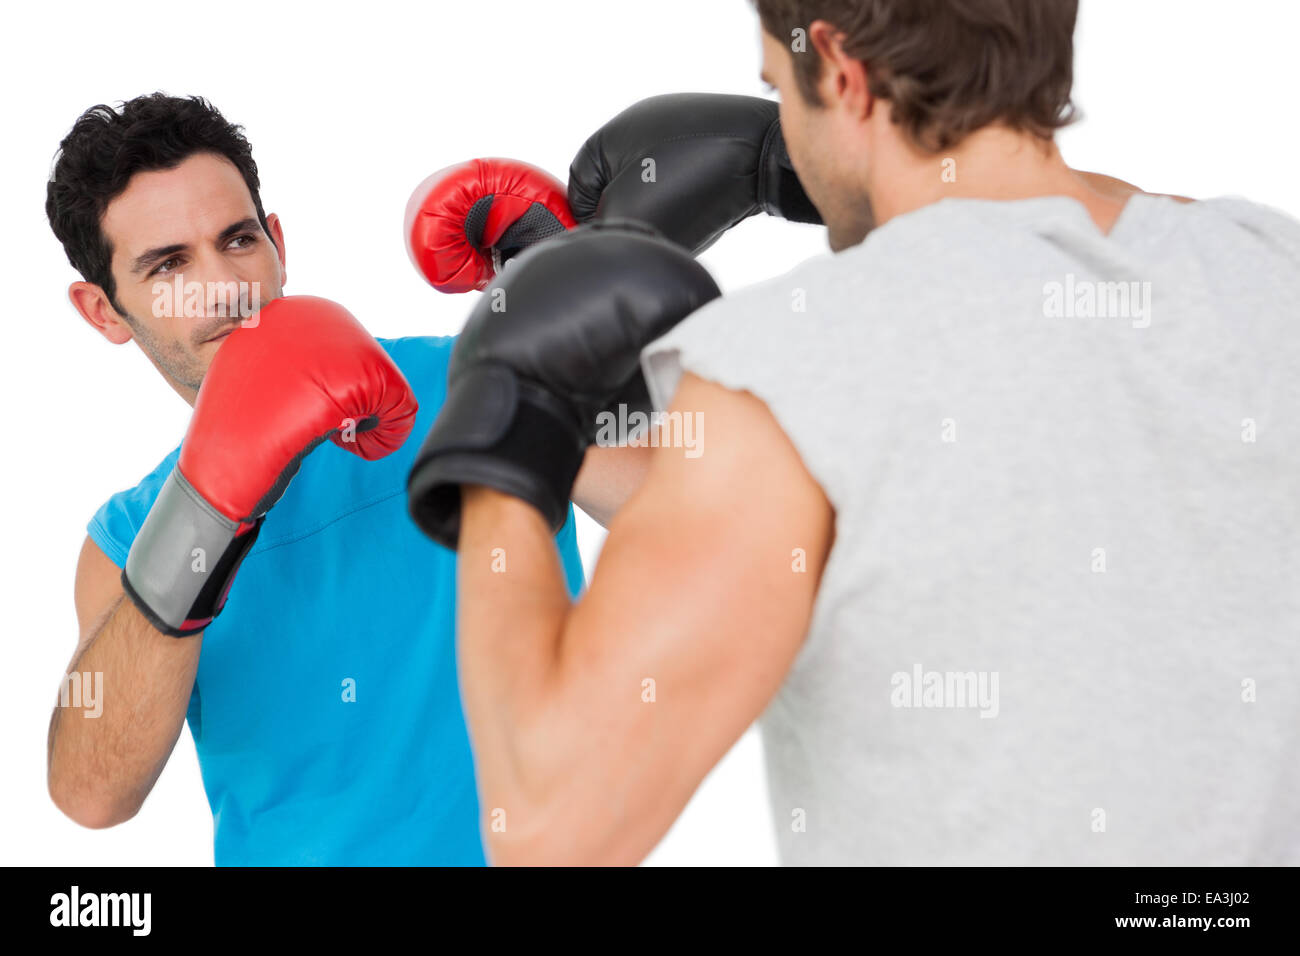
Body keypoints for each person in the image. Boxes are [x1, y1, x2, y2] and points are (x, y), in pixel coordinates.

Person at [406, 0, 1300, 865]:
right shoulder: (1267, 267)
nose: (784, 126)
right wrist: (840, 166)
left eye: (781, 91)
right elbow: (854, 532)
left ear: (837, 66)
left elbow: (547, 823)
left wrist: (510, 406)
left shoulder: (786, 361)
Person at [43, 93, 641, 865]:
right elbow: (92, 795)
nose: (223, 286)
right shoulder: (127, 540)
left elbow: (705, 524)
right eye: (168, 265)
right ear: (104, 311)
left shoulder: (470, 380)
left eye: (237, 239)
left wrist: (575, 336)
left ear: (278, 244)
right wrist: (208, 514)